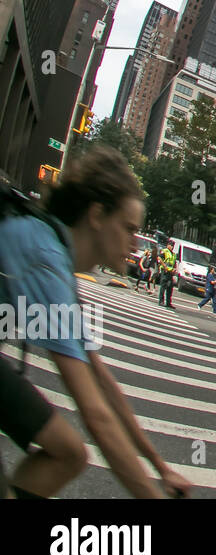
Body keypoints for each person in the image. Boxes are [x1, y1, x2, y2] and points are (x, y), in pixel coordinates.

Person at [0, 148, 192, 498]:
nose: (135, 244)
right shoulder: (46, 260)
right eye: (129, 229)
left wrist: (161, 468)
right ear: (97, 215)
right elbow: (96, 416)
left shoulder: (57, 258)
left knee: (69, 454)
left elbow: (102, 381)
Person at [156, 241, 176, 309]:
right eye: (171, 245)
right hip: (165, 271)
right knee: (163, 286)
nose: (172, 247)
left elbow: (174, 263)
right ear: (168, 245)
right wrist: (164, 266)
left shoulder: (173, 254)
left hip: (170, 272)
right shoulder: (165, 251)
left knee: (170, 287)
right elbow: (159, 258)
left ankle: (168, 303)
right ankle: (161, 301)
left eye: (173, 246)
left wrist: (174, 269)